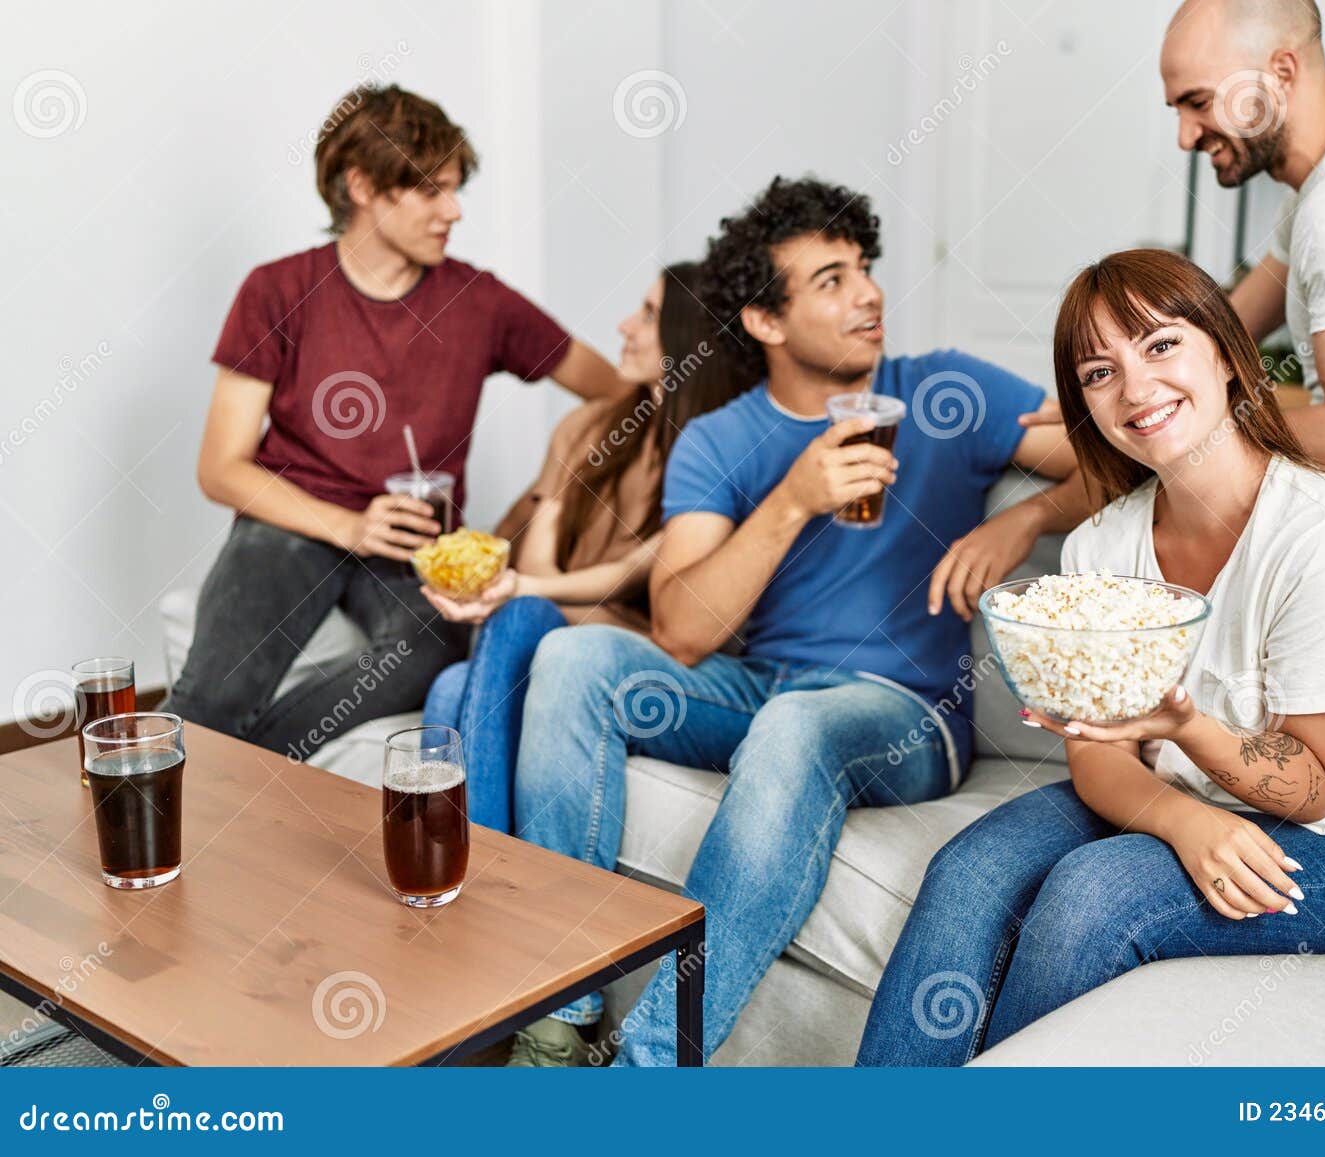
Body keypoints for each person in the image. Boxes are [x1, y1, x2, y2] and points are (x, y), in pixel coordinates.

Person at [856, 248, 1325, 1067]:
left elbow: (1310, 784)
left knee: (1097, 895)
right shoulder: (1100, 543)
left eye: (1160, 346)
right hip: (1190, 794)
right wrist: (1181, 817)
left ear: (1225, 353)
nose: (1135, 388)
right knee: (970, 871)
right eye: (1098, 371)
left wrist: (1185, 724)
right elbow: (1098, 758)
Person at [508, 176, 1085, 1066]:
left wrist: (1024, 518)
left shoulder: (948, 390)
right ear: (765, 323)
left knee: (794, 725)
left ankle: (649, 1070)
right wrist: (791, 499)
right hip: (764, 684)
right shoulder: (721, 439)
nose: (868, 294)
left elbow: (1116, 457)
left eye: (864, 269)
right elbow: (683, 632)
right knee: (572, 655)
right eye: (831, 280)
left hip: (903, 711)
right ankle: (560, 1022)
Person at [163, 85, 625, 759]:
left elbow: (617, 393)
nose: (455, 210)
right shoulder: (277, 290)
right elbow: (221, 467)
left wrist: (552, 491)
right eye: (433, 191)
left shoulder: (480, 301)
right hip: (292, 526)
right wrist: (350, 525)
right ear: (362, 187)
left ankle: (248, 769)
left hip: (417, 546)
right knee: (214, 696)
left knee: (428, 649)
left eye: (455, 188)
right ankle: (175, 772)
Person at [1024, 0, 1325, 557]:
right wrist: (1109, 393)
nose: (1185, 137)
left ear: (1281, 72)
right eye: (1177, 110)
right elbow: (1222, 331)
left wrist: (1161, 420)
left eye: (1199, 102)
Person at [416, 263, 752, 836]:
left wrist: (525, 588)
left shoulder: (721, 455)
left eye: (647, 314)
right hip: (553, 634)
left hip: (638, 659)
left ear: (688, 339)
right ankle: (460, 878)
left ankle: (480, 875)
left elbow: (612, 574)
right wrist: (551, 500)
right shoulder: (594, 429)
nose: (623, 326)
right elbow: (532, 559)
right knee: (451, 684)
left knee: (521, 616)